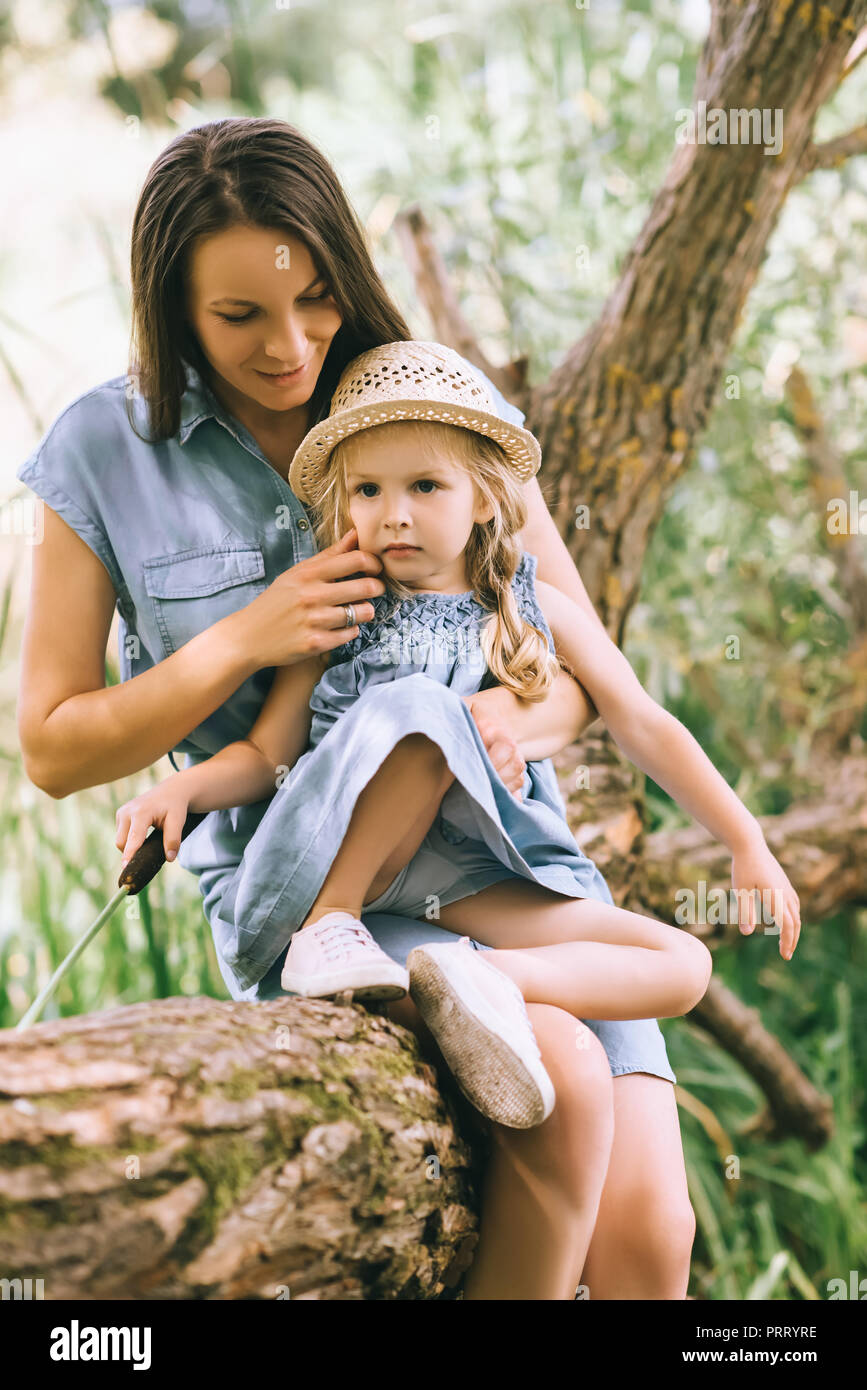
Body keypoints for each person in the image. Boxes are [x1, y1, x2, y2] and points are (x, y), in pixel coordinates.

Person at [14, 115, 768, 1299]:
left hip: (512, 856)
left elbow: (564, 656)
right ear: (169, 311)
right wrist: (243, 641)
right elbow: (54, 751)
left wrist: (516, 727)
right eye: (240, 318)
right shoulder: (105, 451)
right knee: (559, 1077)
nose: (292, 346)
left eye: (316, 299)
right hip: (327, 887)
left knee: (651, 1238)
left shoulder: (423, 395)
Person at [113, 337, 798, 1139]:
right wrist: (182, 787)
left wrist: (743, 839)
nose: (393, 512)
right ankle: (327, 926)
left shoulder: (530, 606)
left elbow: (641, 721)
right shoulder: (343, 614)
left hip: (468, 880)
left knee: (681, 965)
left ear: (481, 498)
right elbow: (268, 756)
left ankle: (482, 981)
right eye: (368, 490)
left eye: (424, 485)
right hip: (342, 871)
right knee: (426, 709)